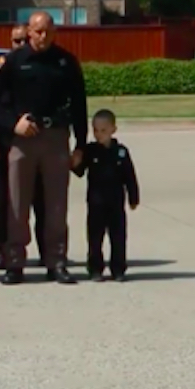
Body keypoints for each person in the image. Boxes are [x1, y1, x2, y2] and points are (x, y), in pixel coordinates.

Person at [0, 11, 87, 285]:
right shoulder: (13, 61)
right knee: (17, 203)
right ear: (29, 32)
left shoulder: (65, 61)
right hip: (22, 139)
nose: (43, 36)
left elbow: (79, 105)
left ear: (55, 33)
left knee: (56, 205)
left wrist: (81, 144)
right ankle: (15, 263)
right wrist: (11, 123)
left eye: (48, 31)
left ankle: (57, 261)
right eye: (38, 31)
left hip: (55, 138)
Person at [0, 24, 45, 269]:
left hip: (37, 143)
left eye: (23, 40)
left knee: (42, 201)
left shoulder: (37, 65)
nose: (19, 45)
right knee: (4, 202)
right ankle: (1, 251)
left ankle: (47, 252)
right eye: (15, 41)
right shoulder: (2, 68)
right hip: (6, 143)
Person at [72, 109, 139, 281]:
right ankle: (95, 269)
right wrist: (74, 163)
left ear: (113, 130)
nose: (98, 134)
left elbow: (129, 176)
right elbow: (79, 171)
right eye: (95, 130)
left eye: (103, 130)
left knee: (118, 238)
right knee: (95, 238)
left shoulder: (121, 152)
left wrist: (133, 197)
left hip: (116, 203)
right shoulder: (90, 151)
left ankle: (118, 269)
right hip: (96, 204)